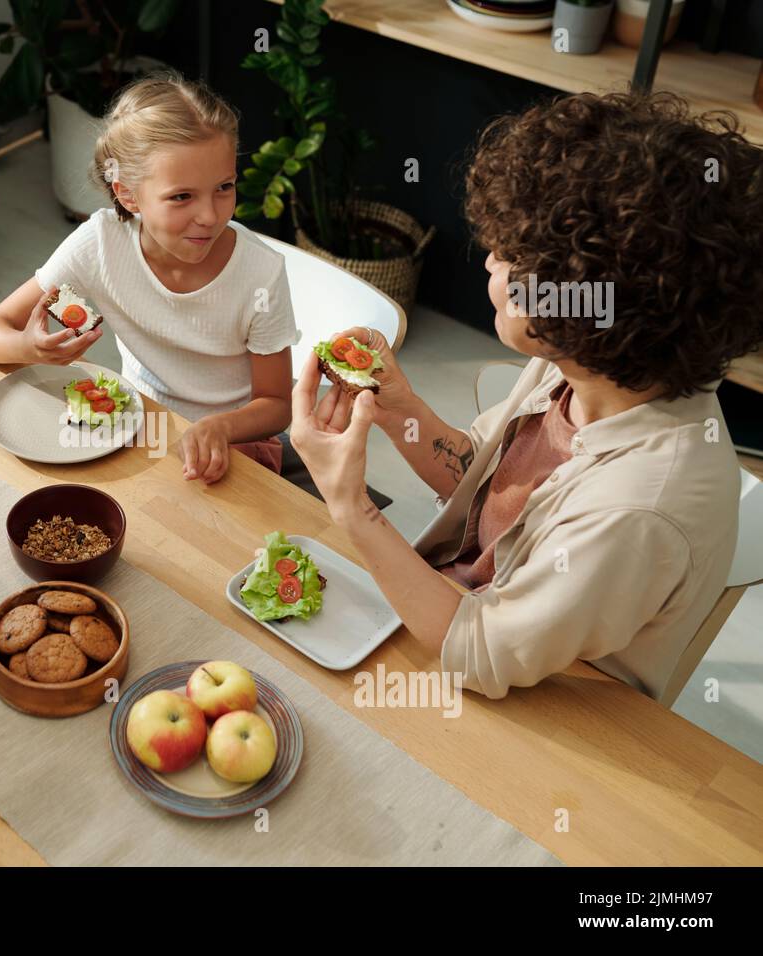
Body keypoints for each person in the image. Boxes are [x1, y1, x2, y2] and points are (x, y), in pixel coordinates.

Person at [290, 91, 763, 700]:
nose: (490, 260)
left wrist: (352, 507)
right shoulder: (587, 365)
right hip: (454, 622)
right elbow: (482, 487)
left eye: (512, 256)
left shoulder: (639, 507)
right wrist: (401, 410)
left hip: (540, 712)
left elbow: (480, 654)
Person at [0, 70, 296, 483]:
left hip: (236, 441)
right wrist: (28, 346)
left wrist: (222, 426)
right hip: (137, 422)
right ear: (127, 194)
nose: (210, 215)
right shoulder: (100, 245)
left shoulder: (260, 273)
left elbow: (276, 404)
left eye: (224, 187)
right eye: (182, 196)